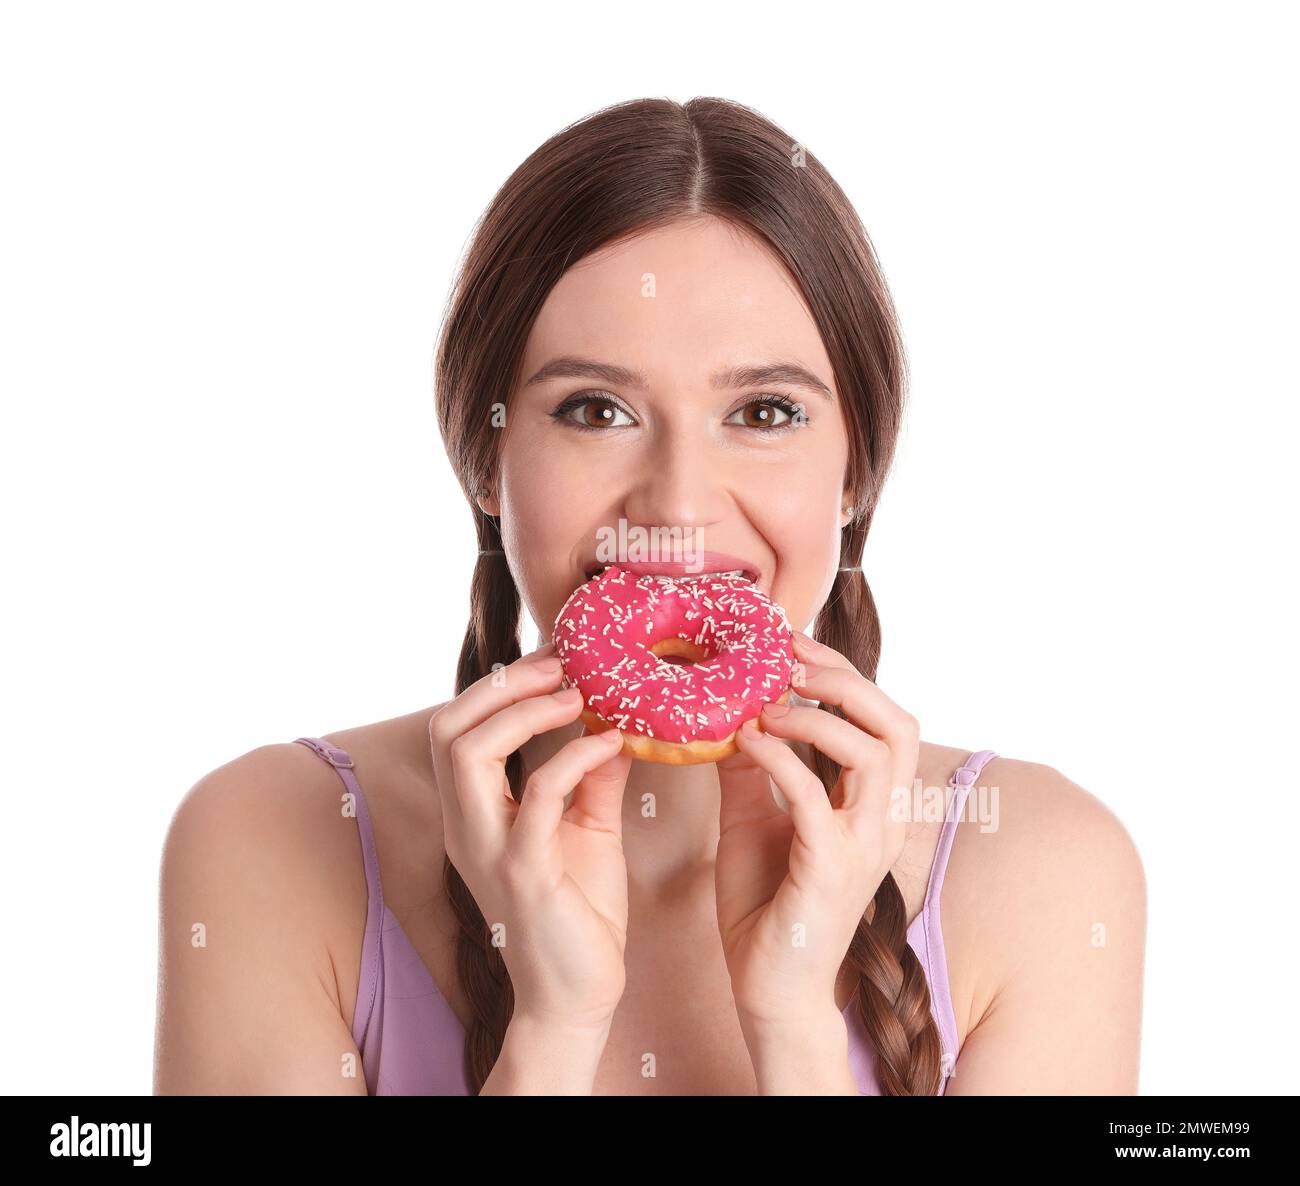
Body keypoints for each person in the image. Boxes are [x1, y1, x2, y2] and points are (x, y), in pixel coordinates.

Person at [153, 97, 1145, 1096]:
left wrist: (796, 1025)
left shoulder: (1042, 871)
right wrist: (552, 1026)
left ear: (856, 472)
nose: (675, 504)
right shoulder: (274, 838)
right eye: (596, 410)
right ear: (487, 463)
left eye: (763, 412)